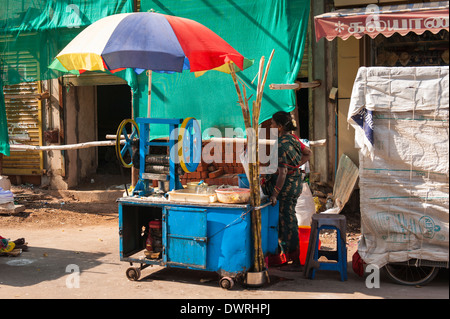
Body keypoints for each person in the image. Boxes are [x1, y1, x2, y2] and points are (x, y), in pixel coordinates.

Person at [262, 111, 312, 271]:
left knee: (287, 222)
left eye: (273, 123)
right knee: (287, 219)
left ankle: (294, 260)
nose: (271, 126)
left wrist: (275, 194)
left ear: (280, 126)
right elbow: (308, 153)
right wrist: (296, 166)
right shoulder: (294, 139)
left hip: (286, 188)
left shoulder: (282, 143)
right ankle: (283, 256)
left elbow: (282, 173)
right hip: (295, 183)